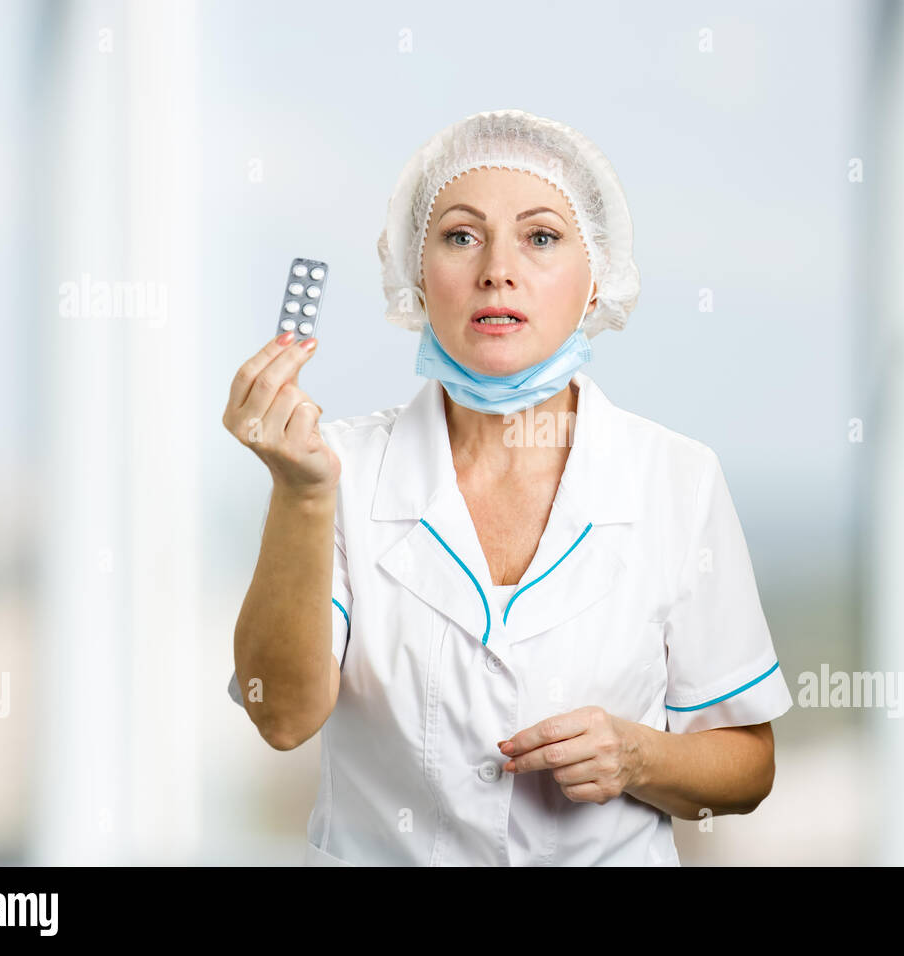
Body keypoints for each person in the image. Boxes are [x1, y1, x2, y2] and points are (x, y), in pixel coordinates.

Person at [222, 108, 794, 866]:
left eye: (542, 237)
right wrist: (299, 495)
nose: (497, 268)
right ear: (415, 279)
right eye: (460, 236)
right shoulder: (336, 470)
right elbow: (283, 718)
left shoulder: (676, 479)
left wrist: (637, 756)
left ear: (598, 284)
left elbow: (749, 765)